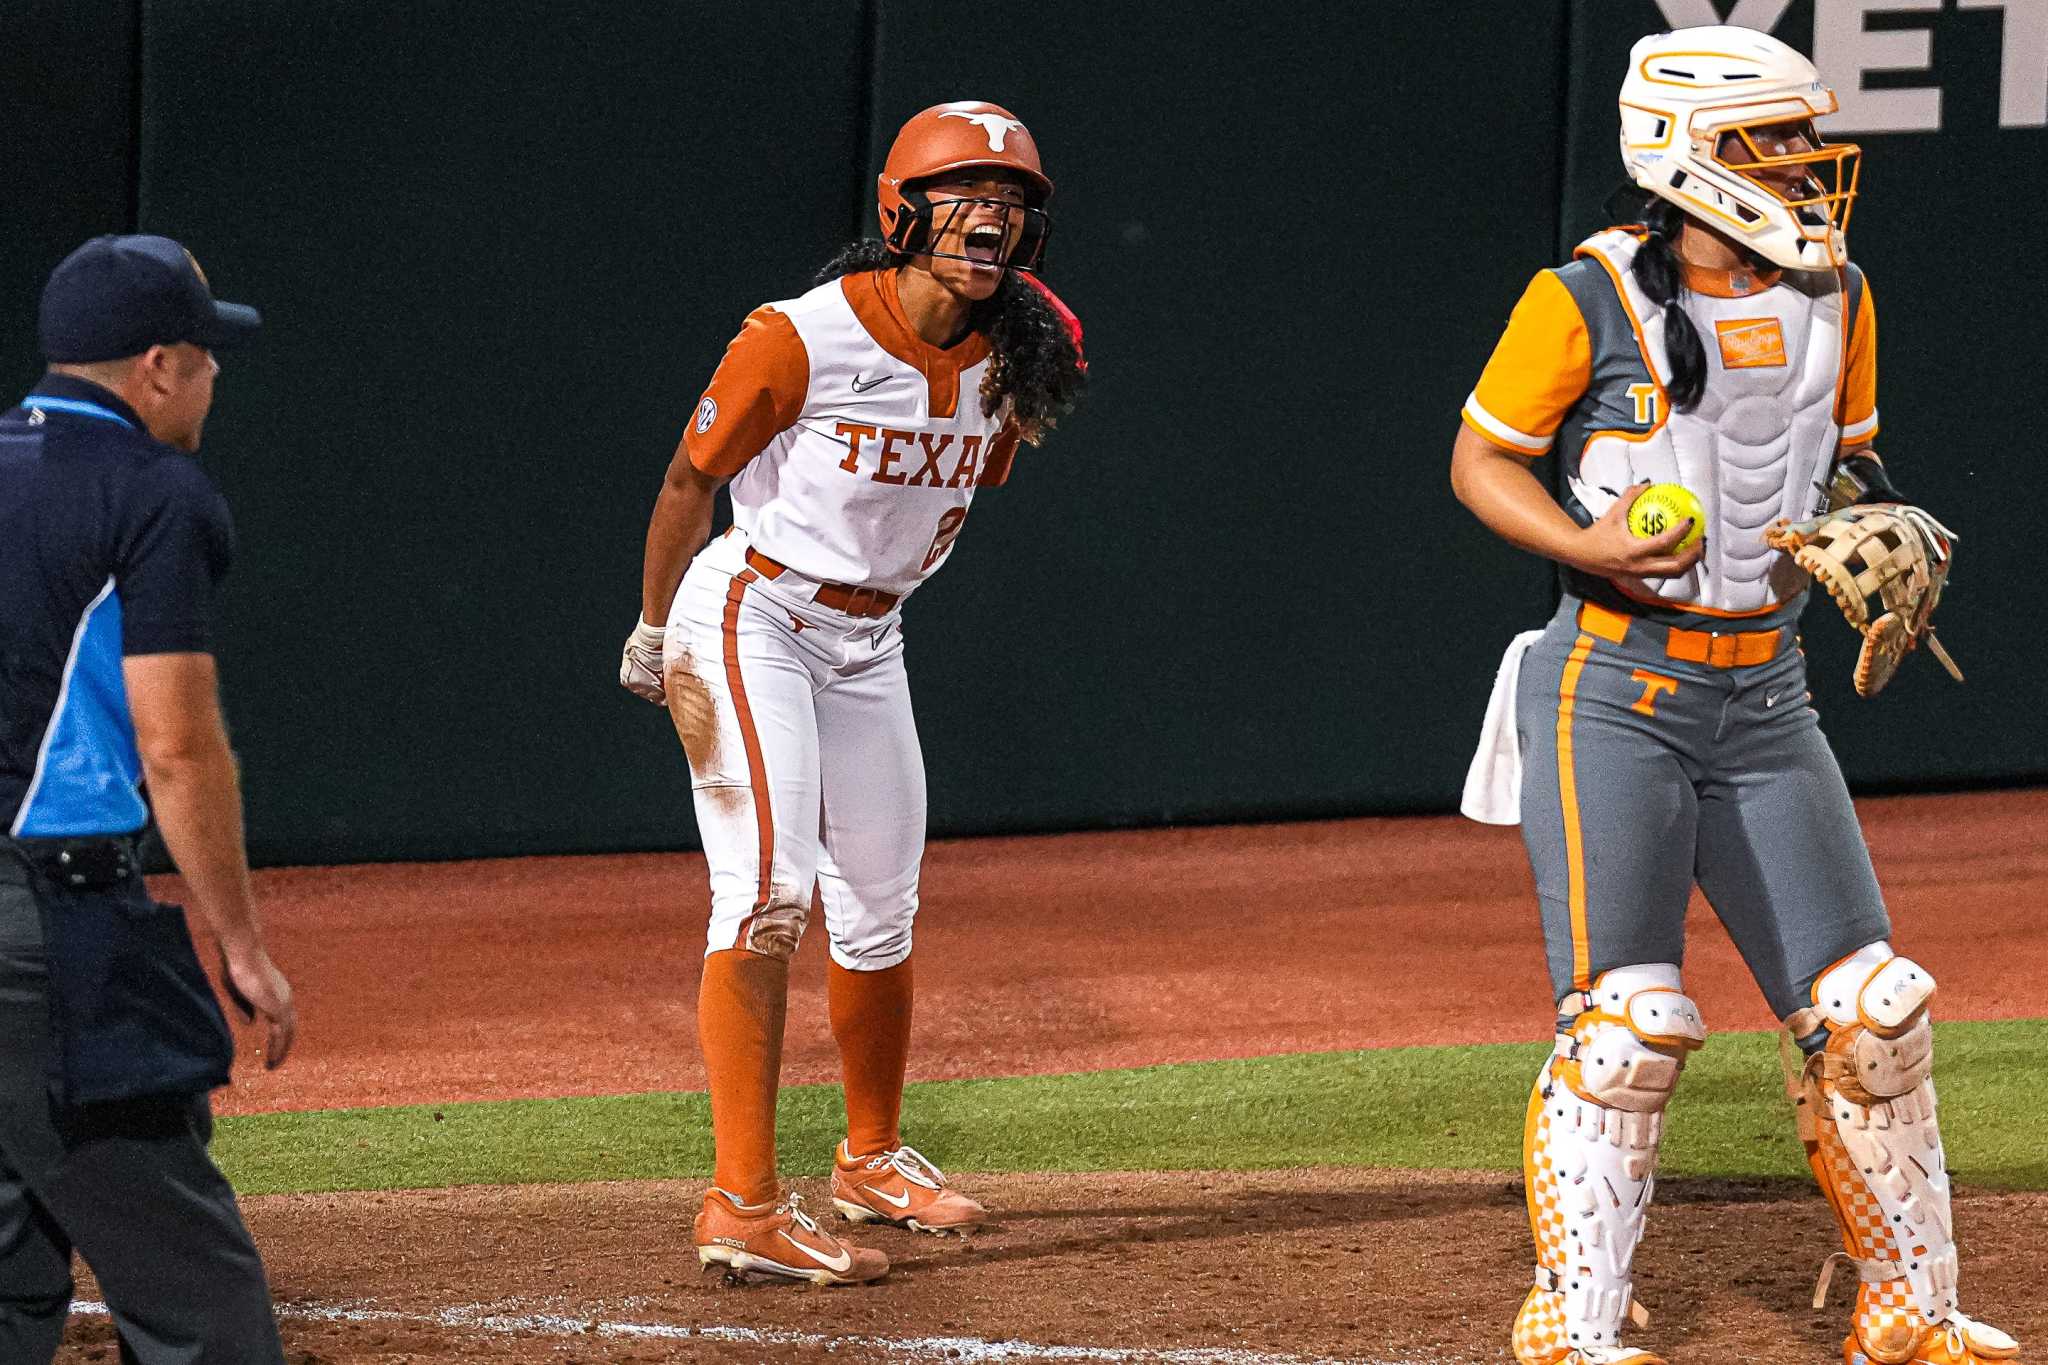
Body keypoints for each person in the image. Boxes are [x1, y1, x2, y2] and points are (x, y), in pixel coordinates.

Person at [1450, 27, 2018, 1365]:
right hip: (1614, 687)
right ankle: (1571, 1327)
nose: (1808, 168)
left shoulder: (1841, 293)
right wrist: (1582, 544)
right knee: (1627, 1030)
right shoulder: (1584, 295)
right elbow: (1481, 461)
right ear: (1685, 151)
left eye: (1806, 142)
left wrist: (1870, 532)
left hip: (1768, 693)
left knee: (1875, 1013)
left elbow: (1837, 471)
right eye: (1777, 142)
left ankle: (1908, 1312)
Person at [620, 101, 1086, 1285]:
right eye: (964, 190)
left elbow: (967, 474)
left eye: (1013, 197)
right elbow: (688, 478)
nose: (992, 212)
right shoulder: (798, 336)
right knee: (766, 896)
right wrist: (651, 622)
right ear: (900, 209)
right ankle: (739, 1204)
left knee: (880, 909)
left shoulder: (1017, 351)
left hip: (871, 641)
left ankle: (869, 1157)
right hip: (754, 610)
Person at [1, 235, 297, 1363]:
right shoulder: (154, 493)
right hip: (49, 938)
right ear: (159, 365)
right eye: (210, 357)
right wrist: (243, 945)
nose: (219, 379)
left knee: (12, 1283)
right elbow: (177, 748)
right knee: (201, 1305)